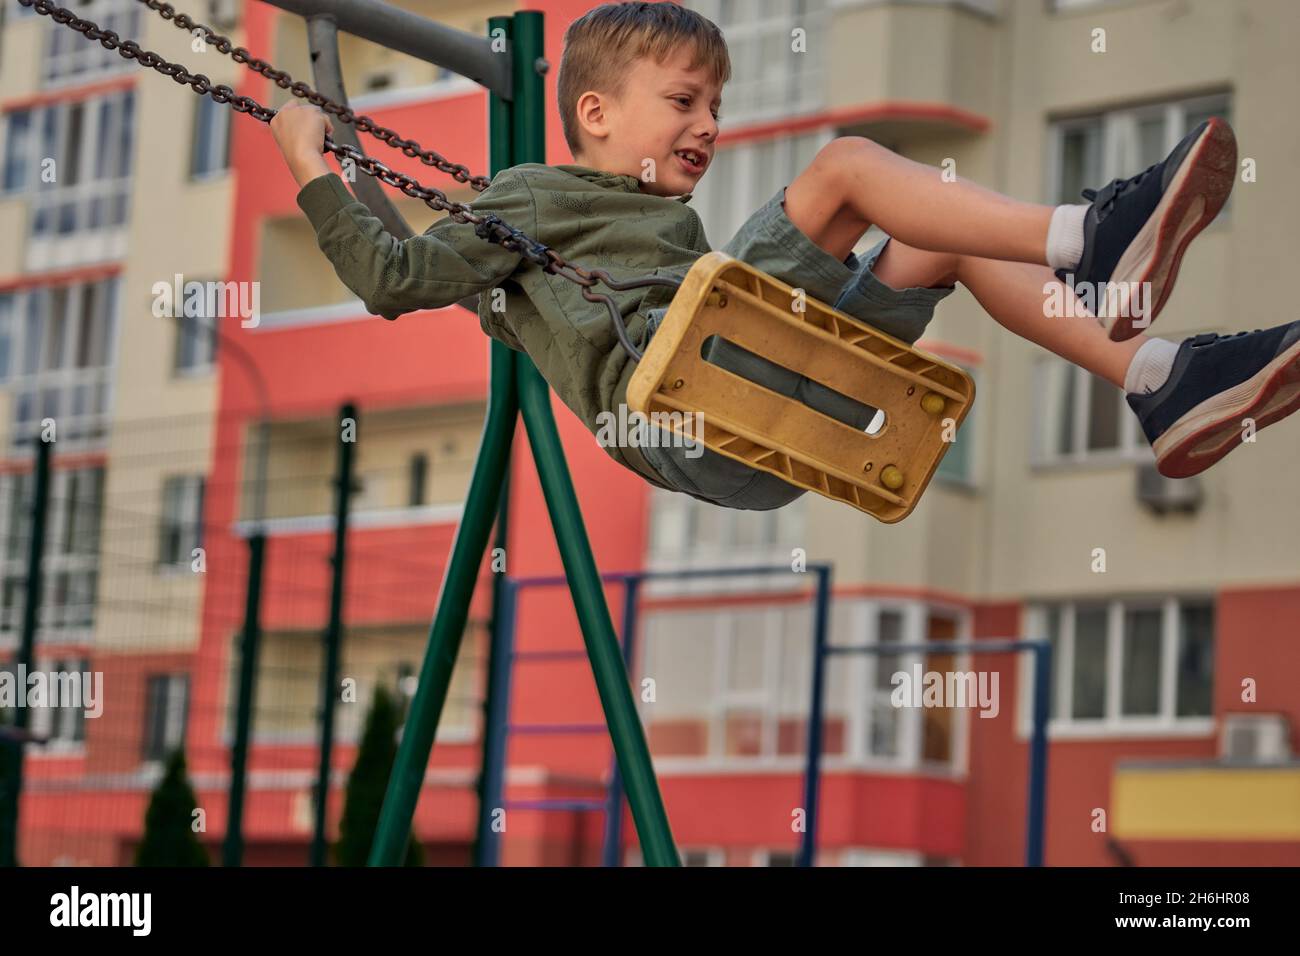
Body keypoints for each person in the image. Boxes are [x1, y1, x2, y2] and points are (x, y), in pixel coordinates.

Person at [270, 1, 1300, 511]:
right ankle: (1087, 234)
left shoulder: (641, 223)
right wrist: (311, 164)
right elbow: (391, 277)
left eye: (714, 105)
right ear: (592, 110)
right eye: (683, 102)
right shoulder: (529, 197)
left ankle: (1159, 378)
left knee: (935, 234)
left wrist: (352, 169)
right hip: (684, 401)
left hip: (762, 421)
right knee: (847, 165)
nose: (709, 125)